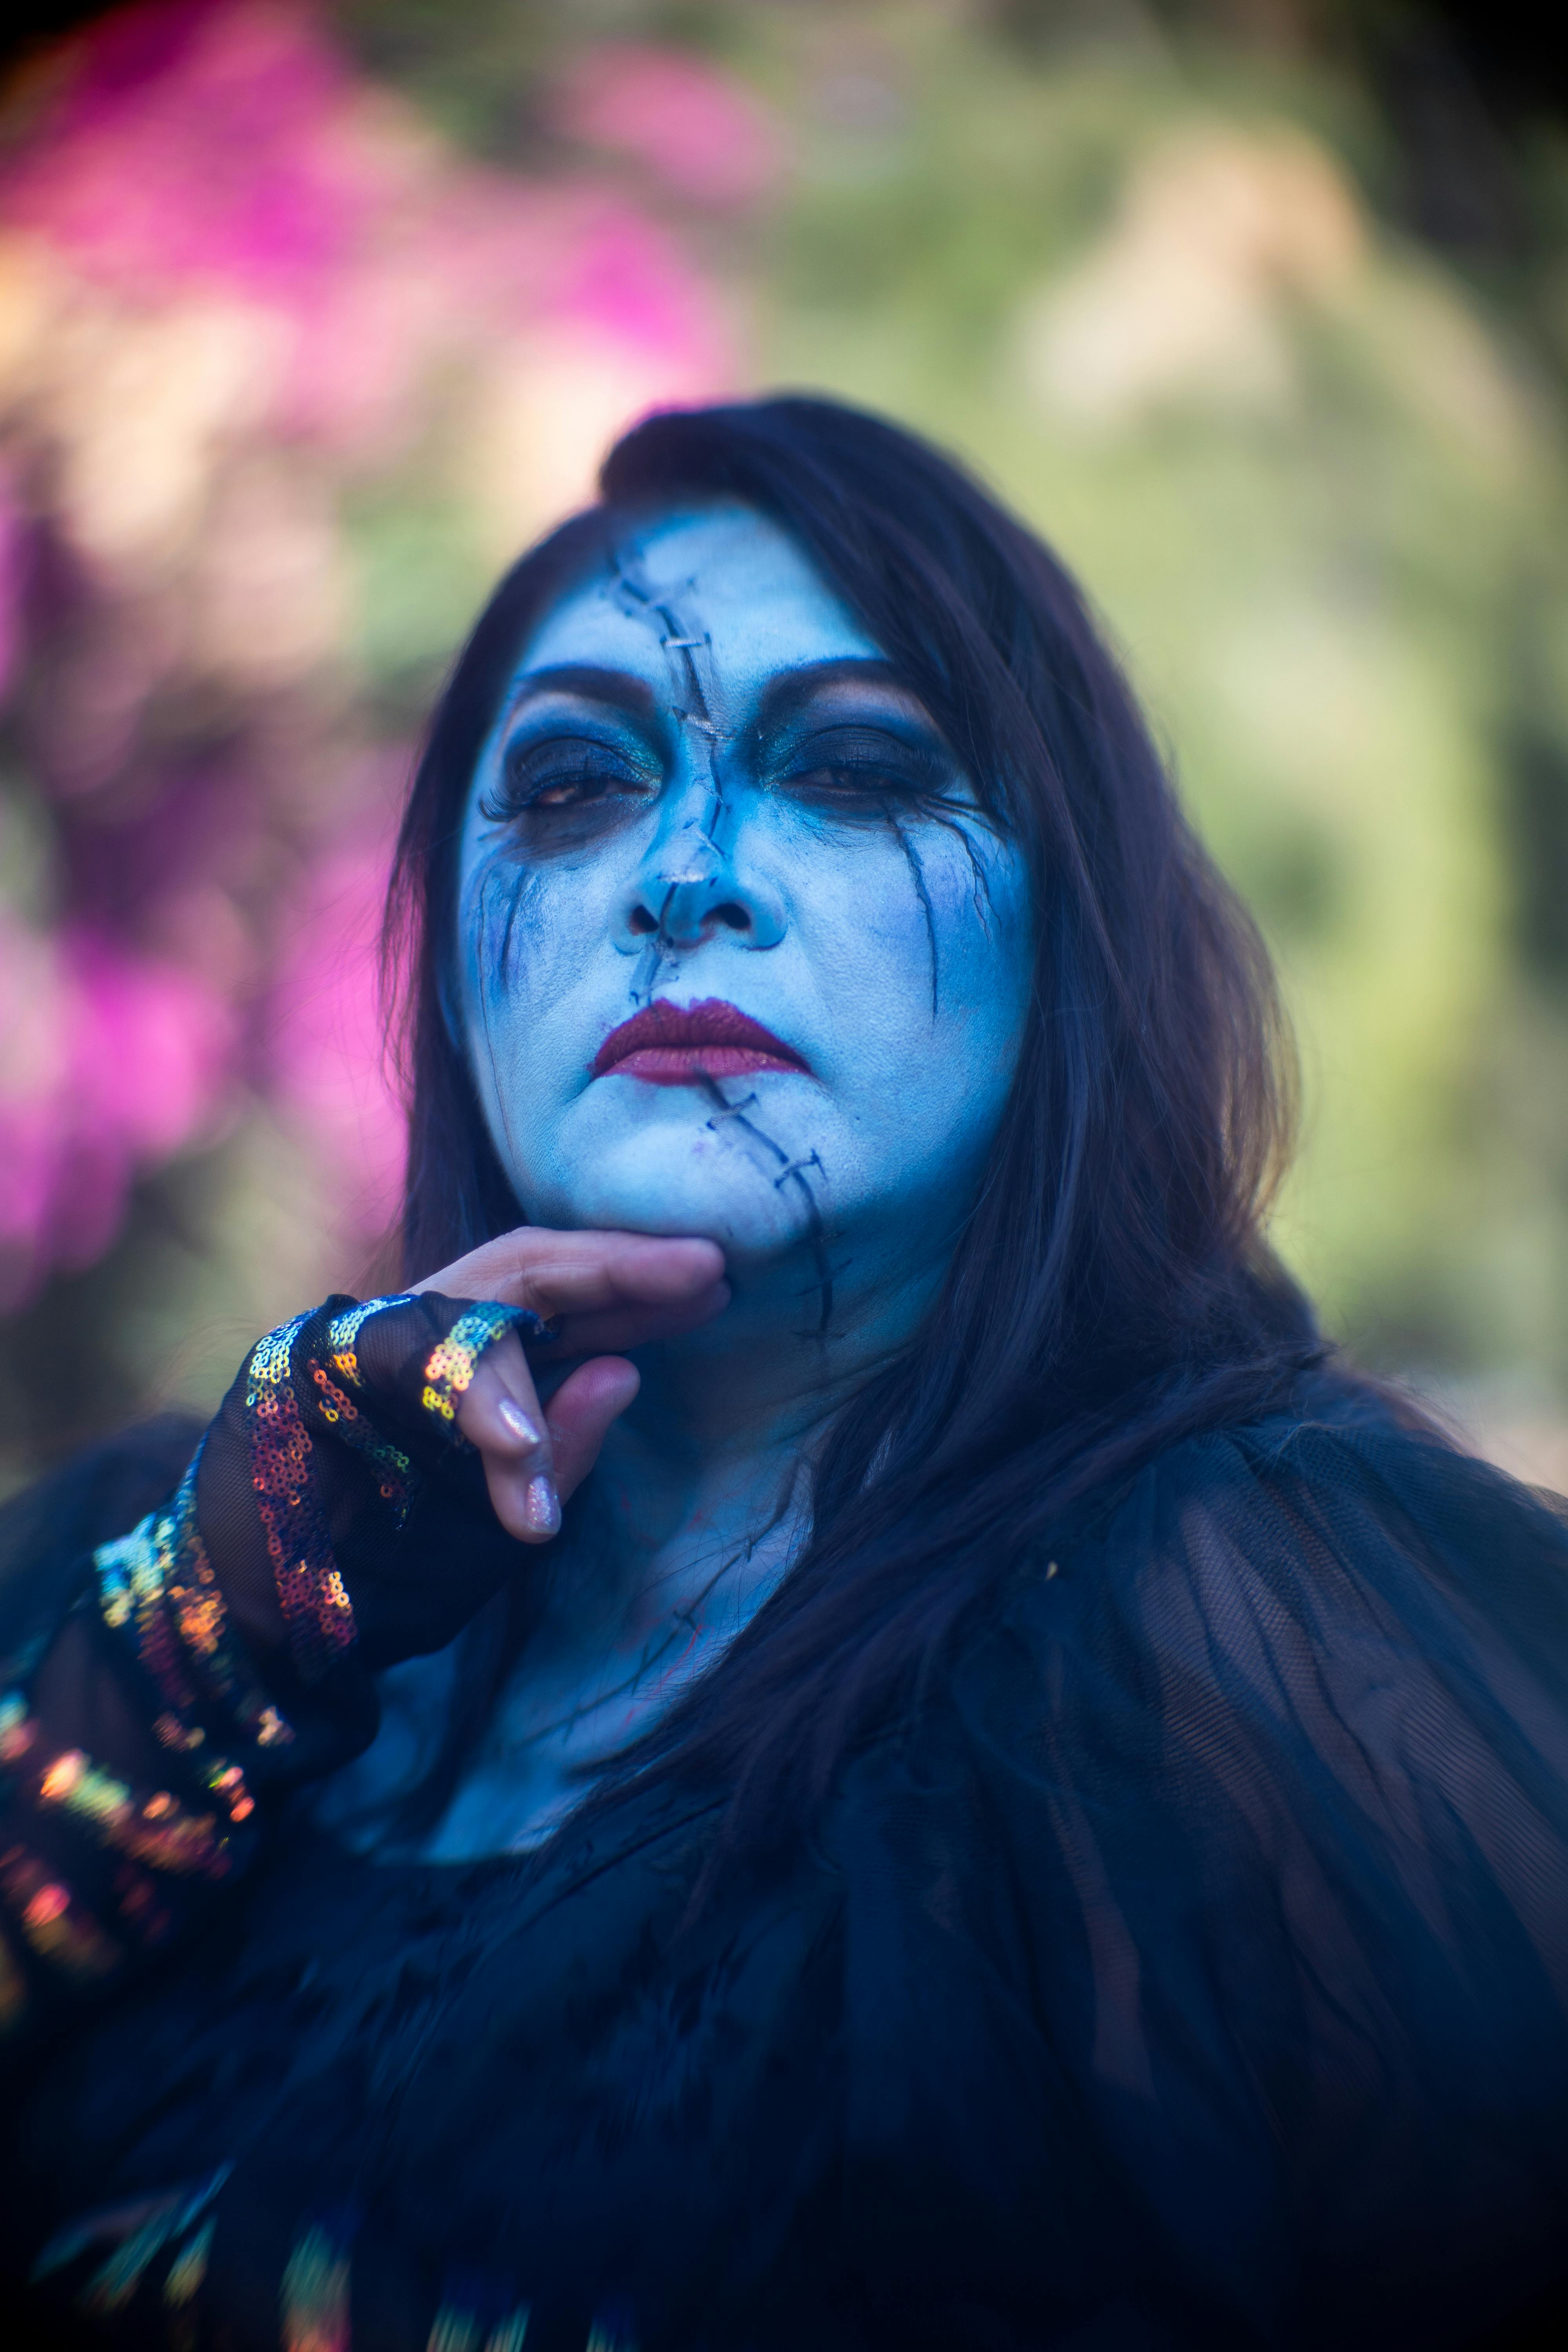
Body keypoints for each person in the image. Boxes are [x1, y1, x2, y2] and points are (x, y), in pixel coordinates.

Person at [2, 396, 1567, 2352]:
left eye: (855, 769)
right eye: (571, 784)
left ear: (1065, 941)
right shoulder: (171, 1560)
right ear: (454, 965)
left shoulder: (1265, 1644)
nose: (686, 872)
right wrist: (202, 1648)